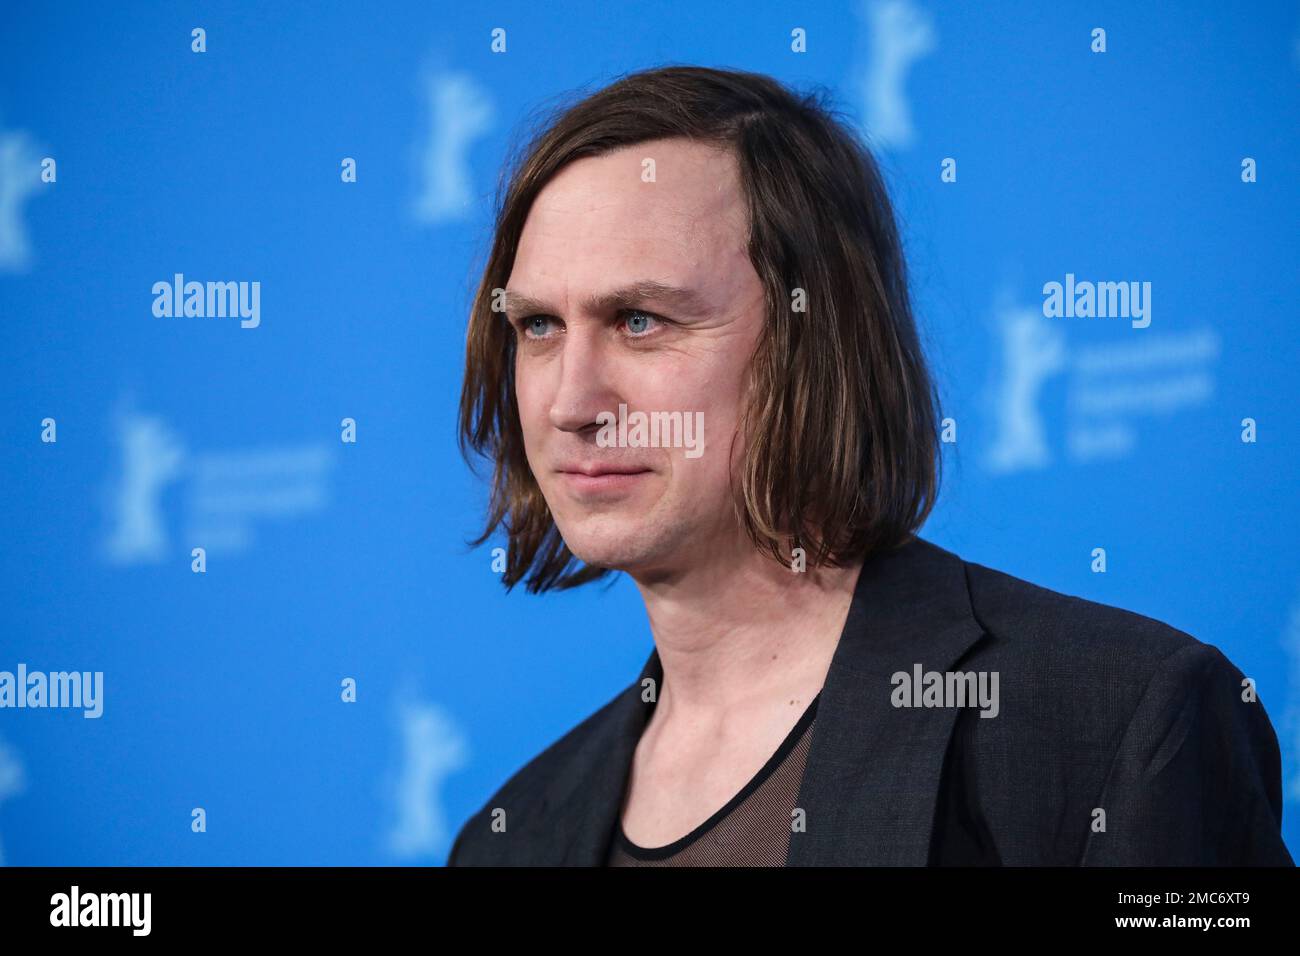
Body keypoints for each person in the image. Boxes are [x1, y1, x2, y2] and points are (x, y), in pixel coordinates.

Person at [447, 65, 1293, 866]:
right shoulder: (510, 835)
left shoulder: (1114, 721)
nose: (569, 403)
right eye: (538, 328)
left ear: (813, 341)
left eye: (638, 320)